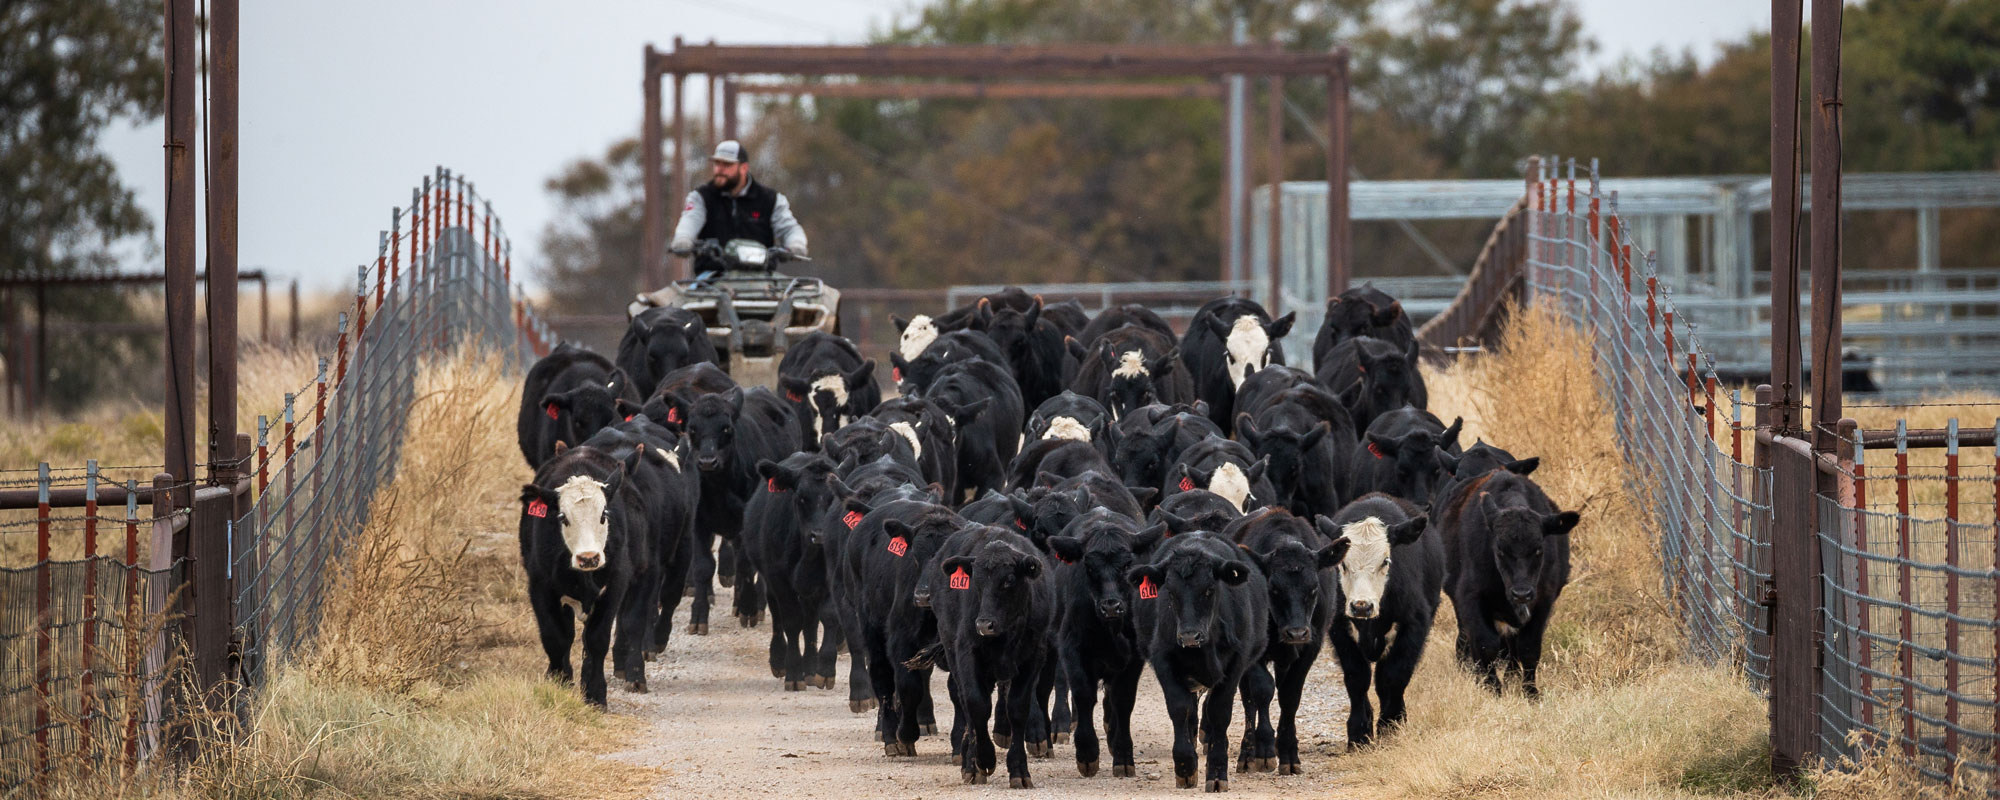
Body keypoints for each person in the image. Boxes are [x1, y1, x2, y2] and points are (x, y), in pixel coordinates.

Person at [669, 140, 808, 270]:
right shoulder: (702, 197)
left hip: (764, 281)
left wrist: (796, 244)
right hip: (711, 281)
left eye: (727, 165)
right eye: (717, 164)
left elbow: (789, 228)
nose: (720, 169)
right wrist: (683, 239)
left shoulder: (770, 199)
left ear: (744, 168)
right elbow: (690, 221)